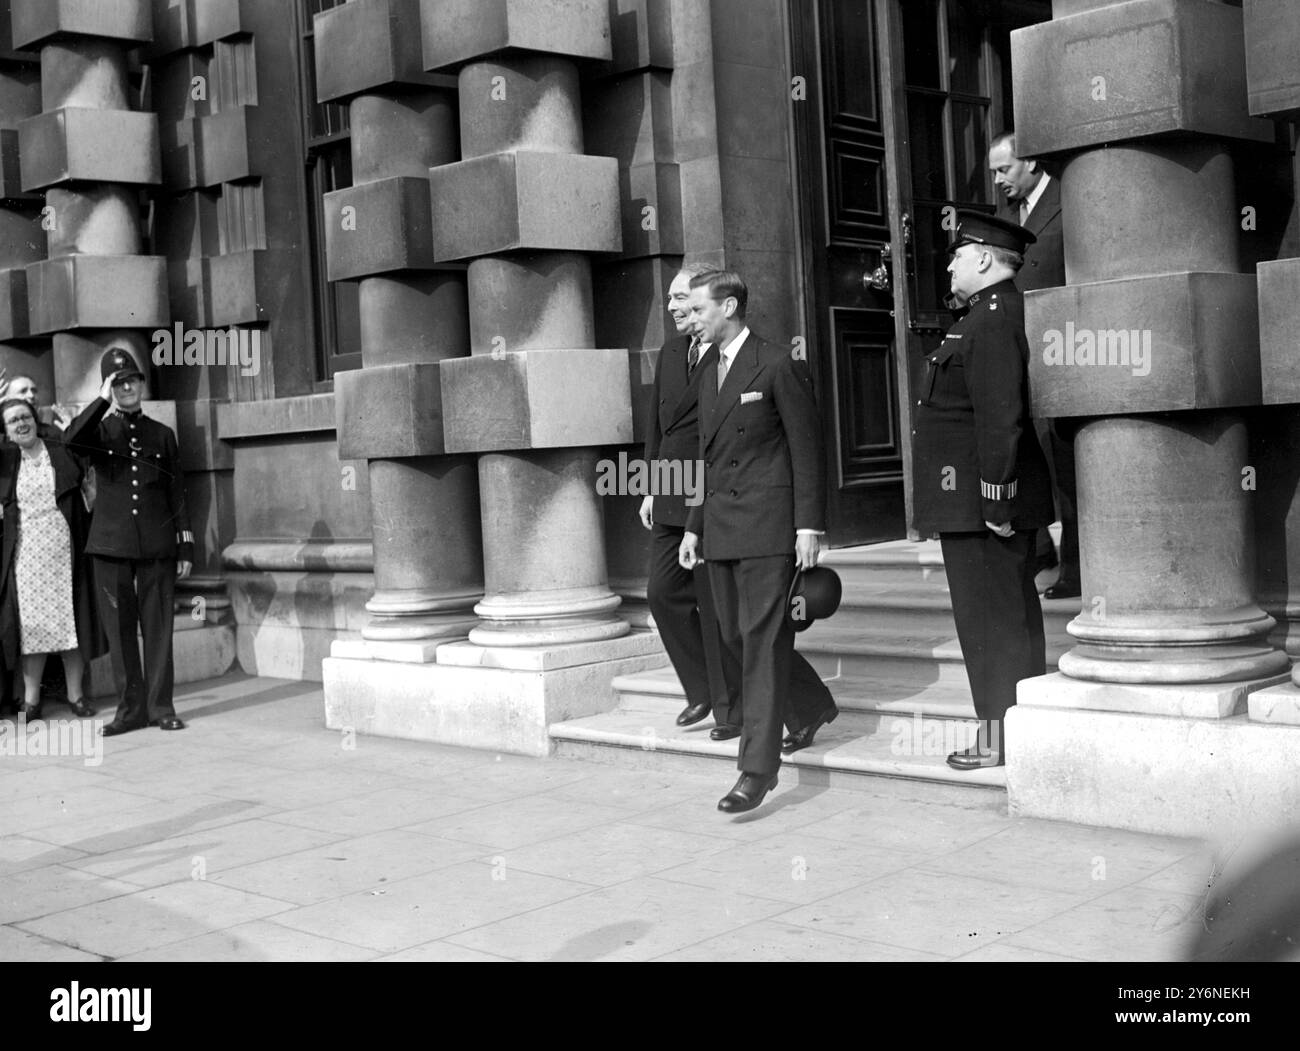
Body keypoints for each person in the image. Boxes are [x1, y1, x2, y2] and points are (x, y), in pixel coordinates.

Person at [679, 271, 838, 813]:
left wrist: (809, 525)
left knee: (762, 643)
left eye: (698, 311)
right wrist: (694, 526)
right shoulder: (707, 371)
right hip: (720, 526)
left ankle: (757, 770)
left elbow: (807, 448)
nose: (691, 320)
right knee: (735, 637)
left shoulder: (776, 363)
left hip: (770, 527)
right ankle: (813, 703)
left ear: (728, 307)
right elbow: (704, 454)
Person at [912, 211, 1054, 769]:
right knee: (998, 616)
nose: (948, 264)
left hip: (983, 502)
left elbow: (1001, 418)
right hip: (970, 499)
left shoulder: (993, 319)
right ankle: (1016, 727)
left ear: (983, 258)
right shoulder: (981, 316)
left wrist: (997, 497)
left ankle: (1001, 735)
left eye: (955, 255)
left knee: (993, 620)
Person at [63, 349, 194, 736]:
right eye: (118, 382)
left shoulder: (162, 434)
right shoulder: (100, 432)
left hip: (157, 544)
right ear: (109, 387)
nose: (127, 387)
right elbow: (71, 441)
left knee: (158, 629)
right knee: (120, 633)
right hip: (110, 545)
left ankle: (160, 707)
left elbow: (177, 493)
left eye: (132, 380)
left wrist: (185, 544)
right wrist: (101, 400)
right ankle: (130, 710)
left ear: (142, 384)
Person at [640, 265, 740, 736]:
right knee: (662, 593)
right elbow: (657, 427)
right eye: (672, 300)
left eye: (685, 299)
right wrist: (650, 484)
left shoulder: (726, 352)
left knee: (713, 605)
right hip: (670, 489)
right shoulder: (671, 351)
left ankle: (729, 708)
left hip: (707, 493)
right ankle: (700, 688)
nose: (676, 308)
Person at [988, 130, 1079, 600]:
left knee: (1062, 459)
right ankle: (1040, 547)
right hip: (1012, 352)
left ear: (1032, 163)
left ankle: (1077, 569)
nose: (998, 180)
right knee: (1024, 453)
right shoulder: (1006, 215)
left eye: (1004, 169)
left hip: (1060, 350)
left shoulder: (1071, 197)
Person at [0, 398, 101, 722]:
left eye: (25, 417)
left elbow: (85, 459)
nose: (20, 424)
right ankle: (31, 701)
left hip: (65, 551)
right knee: (33, 632)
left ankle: (77, 696)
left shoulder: (59, 450)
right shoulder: (6, 462)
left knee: (71, 625)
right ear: (6, 431)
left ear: (35, 419)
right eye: (12, 421)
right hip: (26, 558)